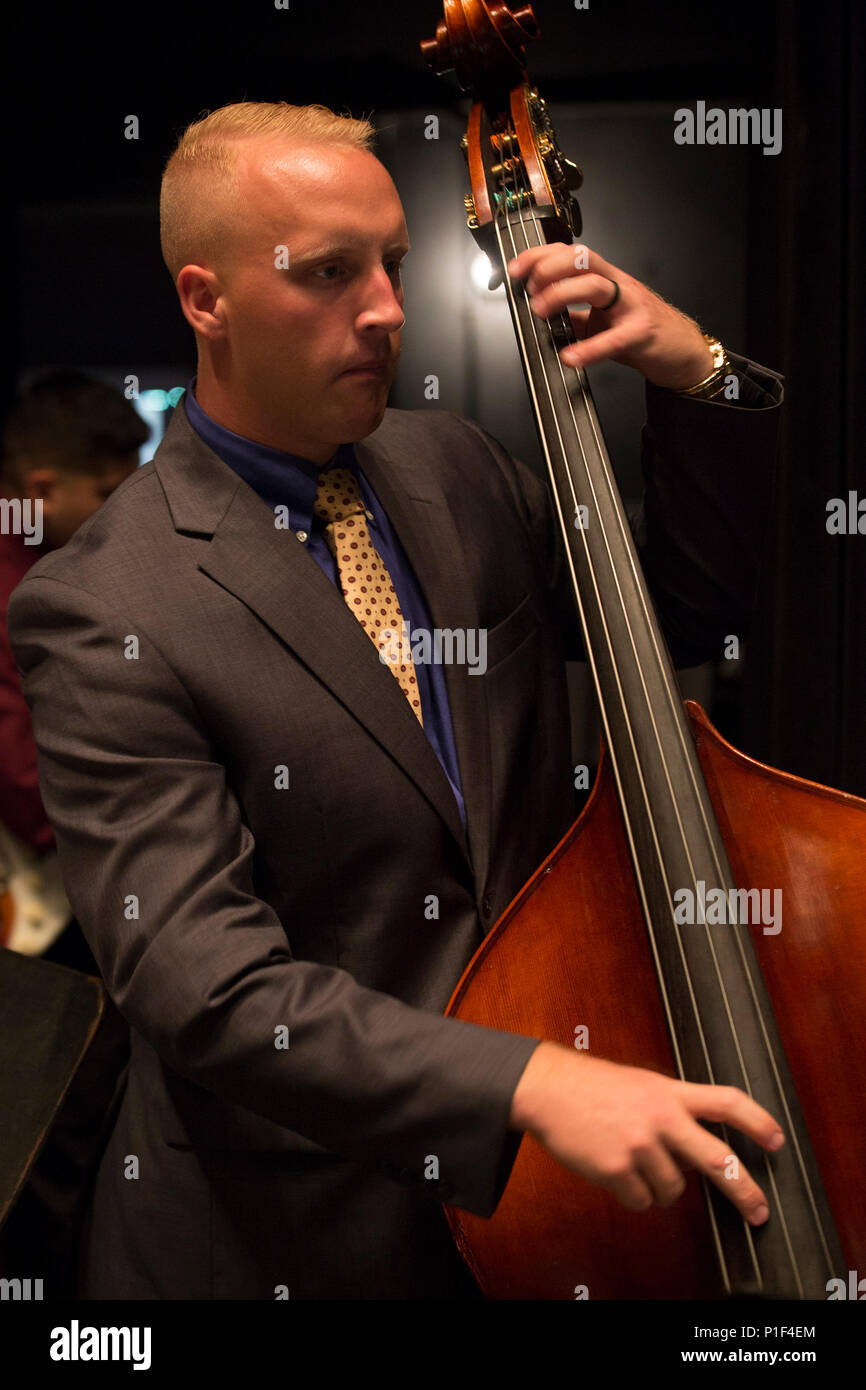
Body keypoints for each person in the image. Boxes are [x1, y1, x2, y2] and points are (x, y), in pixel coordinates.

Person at [7, 101, 785, 1300]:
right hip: (288, 1231)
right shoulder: (101, 601)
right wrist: (520, 1080)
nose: (384, 310)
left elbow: (678, 614)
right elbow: (206, 986)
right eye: (327, 273)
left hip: (545, 1213)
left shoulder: (456, 464)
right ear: (205, 301)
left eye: (391, 263)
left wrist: (694, 369)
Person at [0, 370, 144, 1295]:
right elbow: (20, 760)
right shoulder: (14, 584)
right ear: (43, 488)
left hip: (50, 893)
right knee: (44, 1137)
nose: (116, 512)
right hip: (39, 912)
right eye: (104, 493)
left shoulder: (47, 567)